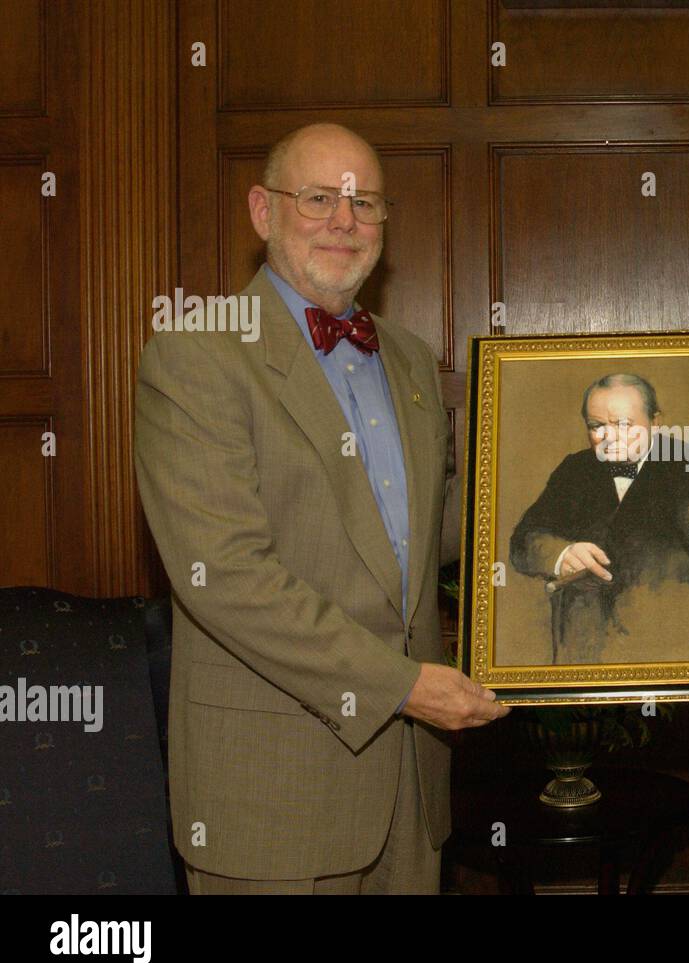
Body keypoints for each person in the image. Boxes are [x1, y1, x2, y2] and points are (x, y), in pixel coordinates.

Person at [134, 123, 507, 895]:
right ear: (263, 212)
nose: (345, 221)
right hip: (274, 800)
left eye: (364, 203)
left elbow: (436, 536)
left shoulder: (405, 356)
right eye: (317, 198)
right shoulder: (196, 350)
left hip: (410, 793)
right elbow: (225, 577)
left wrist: (584, 482)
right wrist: (405, 686)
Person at [508, 373, 689, 664]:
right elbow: (524, 541)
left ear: (656, 422)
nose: (609, 437)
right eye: (596, 426)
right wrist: (561, 553)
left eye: (624, 424)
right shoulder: (574, 471)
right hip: (589, 654)